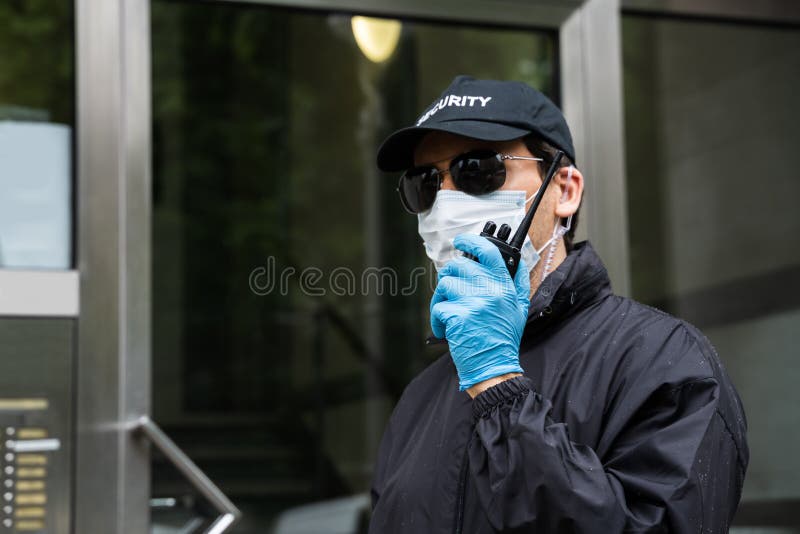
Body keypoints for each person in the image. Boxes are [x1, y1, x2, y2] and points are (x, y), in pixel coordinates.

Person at [368, 75, 748, 533]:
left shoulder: (666, 363)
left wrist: (499, 388)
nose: (446, 202)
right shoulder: (421, 396)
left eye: (477, 170)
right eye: (425, 183)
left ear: (564, 190)